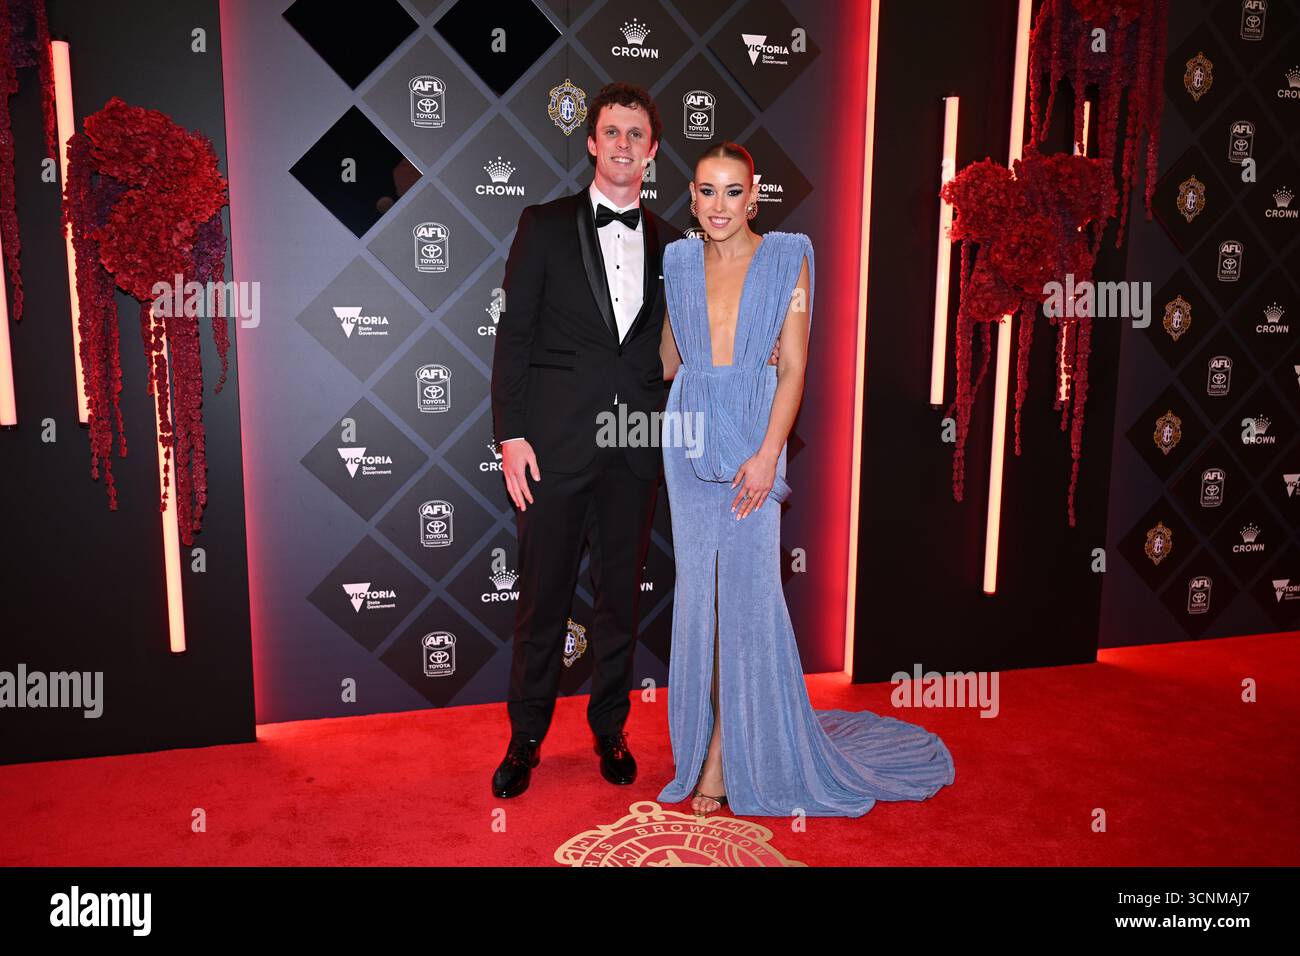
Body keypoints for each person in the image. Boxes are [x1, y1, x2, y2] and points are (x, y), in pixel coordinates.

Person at [656, 142, 956, 817]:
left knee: (748, 597)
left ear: (753, 196)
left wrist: (767, 455)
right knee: (700, 600)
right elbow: (672, 360)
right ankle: (712, 736)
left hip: (754, 436)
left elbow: (793, 368)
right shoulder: (677, 259)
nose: (720, 205)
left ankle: (724, 755)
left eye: (734, 192)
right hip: (688, 435)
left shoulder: (788, 257)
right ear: (693, 198)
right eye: (707, 191)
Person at [487, 82, 680, 798]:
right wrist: (511, 436)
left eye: (637, 134)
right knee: (542, 603)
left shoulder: (673, 244)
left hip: (634, 451)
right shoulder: (543, 225)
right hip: (555, 450)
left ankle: (610, 729)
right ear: (592, 142)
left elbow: (680, 346)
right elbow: (516, 338)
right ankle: (526, 739)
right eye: (612, 132)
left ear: (652, 151)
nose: (624, 144)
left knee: (617, 606)